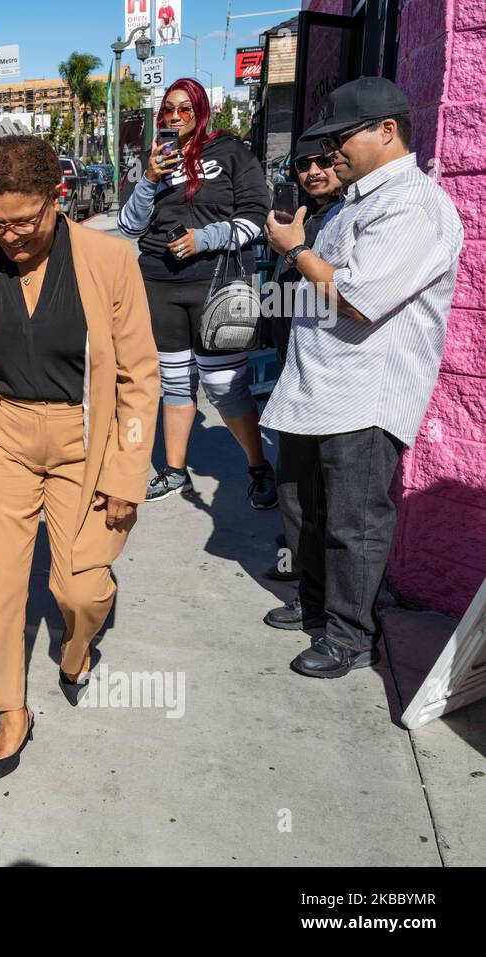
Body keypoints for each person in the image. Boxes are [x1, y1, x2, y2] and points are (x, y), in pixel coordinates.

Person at [0, 135, 158, 782]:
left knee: (81, 586)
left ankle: (77, 649)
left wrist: (129, 471)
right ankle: (8, 706)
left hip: (82, 435)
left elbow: (137, 373)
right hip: (0, 431)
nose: (11, 236)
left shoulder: (107, 260)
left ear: (57, 198)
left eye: (25, 220)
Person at [261, 77, 463, 678]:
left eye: (341, 137)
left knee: (355, 522)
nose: (332, 152)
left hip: (365, 392)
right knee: (305, 507)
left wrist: (297, 251)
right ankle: (319, 605)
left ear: (387, 131)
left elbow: (356, 298)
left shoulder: (413, 204)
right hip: (315, 386)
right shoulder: (359, 200)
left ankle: (350, 636)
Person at [116, 79, 276, 508]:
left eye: (186, 109)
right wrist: (149, 177)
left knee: (224, 385)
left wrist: (205, 238)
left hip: (217, 282)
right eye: (168, 110)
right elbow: (129, 227)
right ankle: (173, 471)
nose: (175, 117)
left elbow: (256, 216)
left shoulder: (230, 152)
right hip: (159, 282)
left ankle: (259, 466)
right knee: (174, 383)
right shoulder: (147, 161)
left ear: (201, 111)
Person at [262, 134, 343, 588]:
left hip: (327, 368)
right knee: (293, 478)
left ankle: (310, 582)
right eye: (303, 164)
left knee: (314, 484)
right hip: (290, 358)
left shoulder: (344, 217)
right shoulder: (301, 214)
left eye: (323, 162)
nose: (313, 172)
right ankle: (299, 563)